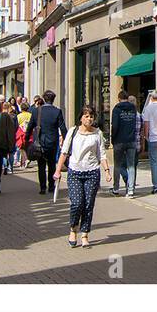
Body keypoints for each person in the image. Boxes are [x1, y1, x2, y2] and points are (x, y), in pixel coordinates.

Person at [54, 106, 111, 248]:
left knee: (88, 205)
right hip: (75, 172)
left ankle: (85, 234)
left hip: (92, 172)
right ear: (81, 118)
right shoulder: (73, 132)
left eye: (91, 116)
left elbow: (102, 154)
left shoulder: (97, 134)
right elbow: (64, 152)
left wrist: (107, 171)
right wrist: (58, 170)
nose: (89, 119)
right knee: (77, 203)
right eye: (86, 116)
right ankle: (73, 229)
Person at [33, 91, 67, 195]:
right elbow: (62, 127)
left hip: (40, 142)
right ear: (53, 99)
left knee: (41, 165)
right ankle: (51, 186)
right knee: (52, 164)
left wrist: (26, 139)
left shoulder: (37, 111)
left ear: (43, 98)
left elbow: (30, 126)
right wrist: (66, 140)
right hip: (52, 142)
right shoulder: (57, 111)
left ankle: (43, 187)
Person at [110, 90, 139, 197]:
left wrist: (113, 139)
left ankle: (116, 188)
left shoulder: (116, 109)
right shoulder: (133, 109)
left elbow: (115, 126)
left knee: (117, 165)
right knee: (131, 166)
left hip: (119, 140)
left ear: (119, 98)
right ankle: (130, 190)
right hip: (131, 140)